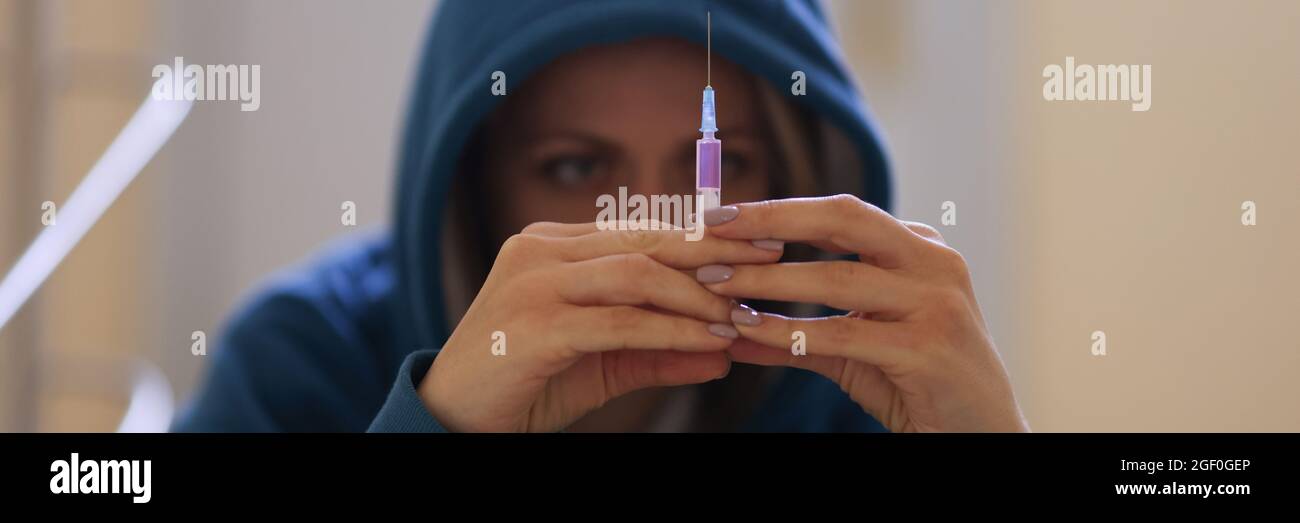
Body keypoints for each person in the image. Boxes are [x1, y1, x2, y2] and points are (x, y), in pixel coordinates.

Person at [173, 0, 1028, 433]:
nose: (659, 223)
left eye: (716, 163)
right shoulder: (300, 362)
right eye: (577, 167)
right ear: (474, 188)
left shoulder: (852, 388)